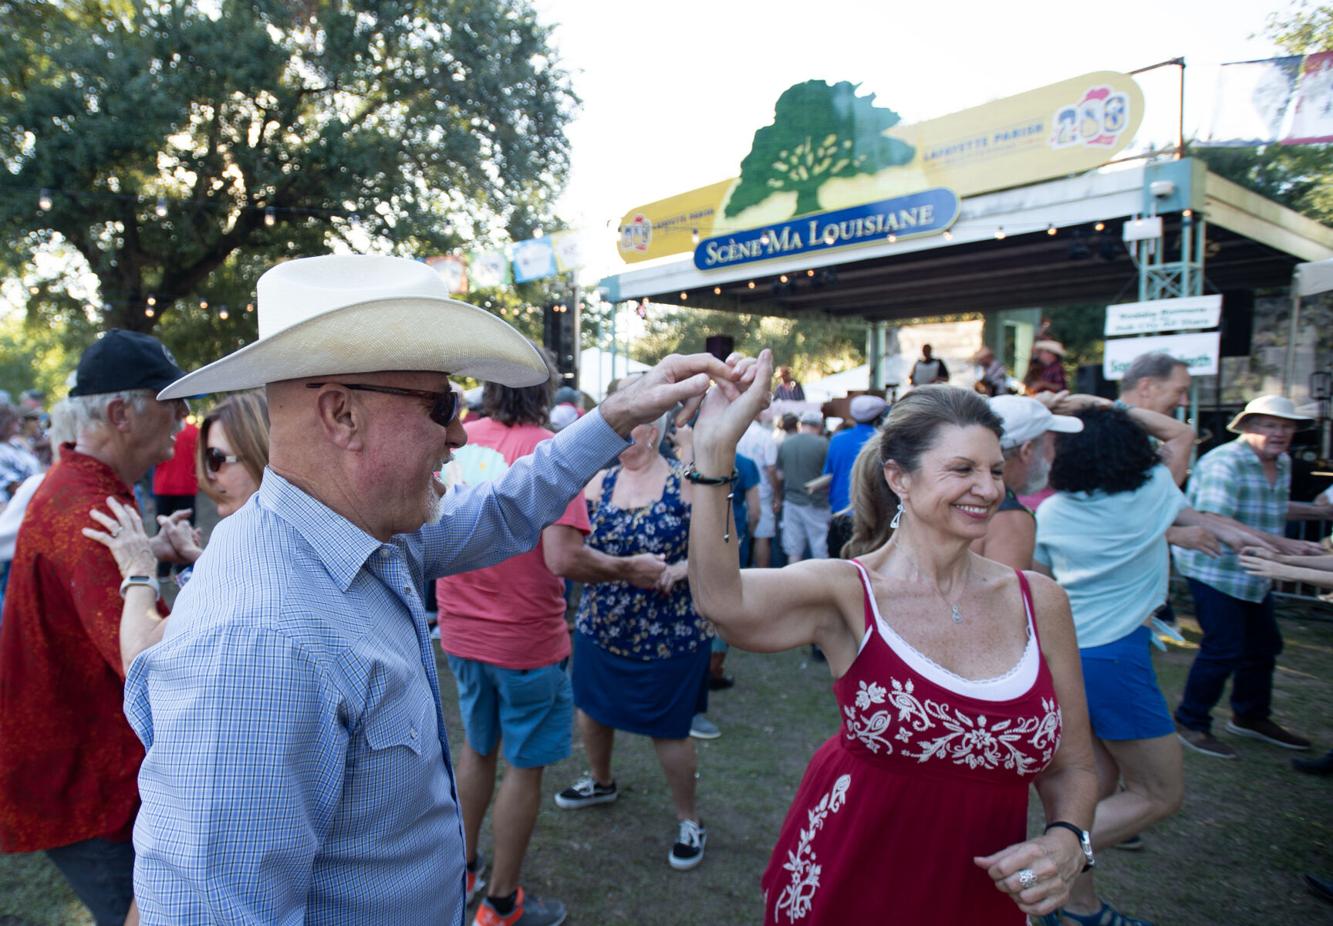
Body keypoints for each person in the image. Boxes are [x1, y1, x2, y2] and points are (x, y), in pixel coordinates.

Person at [122, 254, 734, 924]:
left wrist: (613, 417)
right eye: (440, 405)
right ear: (341, 415)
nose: (457, 433)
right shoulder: (258, 641)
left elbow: (502, 510)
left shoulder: (359, 533)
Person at [689, 364, 1099, 924]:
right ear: (899, 478)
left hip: (976, 892)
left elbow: (1072, 766)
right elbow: (721, 600)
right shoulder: (849, 591)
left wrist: (1068, 840)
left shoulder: (1040, 601)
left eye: (995, 469)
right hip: (851, 875)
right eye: (962, 469)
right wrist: (714, 454)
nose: (987, 487)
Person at [436, 361, 669, 926]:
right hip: (524, 640)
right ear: (542, 392)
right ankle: (500, 902)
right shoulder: (551, 449)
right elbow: (563, 558)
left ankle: (461, 872)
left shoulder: (462, 442)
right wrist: (630, 569)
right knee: (523, 765)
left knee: (477, 748)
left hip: (462, 630)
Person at [1031, 401, 1262, 926]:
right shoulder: (1154, 490)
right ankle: (1034, 868)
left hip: (1063, 656)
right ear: (1129, 449)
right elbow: (1180, 431)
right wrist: (1106, 406)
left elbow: (1039, 583)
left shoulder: (1052, 511)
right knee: (1158, 794)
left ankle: (1075, 910)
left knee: (1087, 795)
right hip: (1115, 658)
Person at [0, 331, 192, 926]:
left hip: (86, 770)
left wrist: (154, 559)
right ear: (119, 414)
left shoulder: (84, 489)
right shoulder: (92, 509)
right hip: (88, 786)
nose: (184, 422)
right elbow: (151, 665)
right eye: (173, 404)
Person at [553, 402, 715, 870]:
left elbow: (721, 550)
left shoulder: (685, 481)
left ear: (652, 430)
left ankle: (690, 819)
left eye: (630, 423)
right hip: (602, 625)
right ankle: (601, 781)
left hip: (668, 632)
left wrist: (682, 569)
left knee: (669, 730)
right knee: (593, 712)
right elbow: (573, 550)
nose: (620, 432)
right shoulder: (598, 482)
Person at [1171, 395, 1330, 759]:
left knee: (1263, 646)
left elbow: (1270, 506)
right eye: (1270, 424)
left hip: (1257, 572)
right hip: (1216, 569)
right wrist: (1282, 544)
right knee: (1223, 648)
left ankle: (1250, 716)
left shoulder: (1283, 461)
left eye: (1287, 426)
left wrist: (1317, 512)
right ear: (1247, 426)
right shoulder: (1224, 462)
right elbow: (1214, 517)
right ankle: (1191, 721)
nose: (1280, 433)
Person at [84, 391, 272, 669]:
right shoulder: (271, 534)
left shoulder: (252, 547)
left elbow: (139, 658)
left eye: (216, 458)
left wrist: (139, 570)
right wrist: (198, 556)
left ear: (261, 453)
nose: (207, 474)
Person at [972, 396, 1083, 571]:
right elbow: (1007, 596)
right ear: (1027, 450)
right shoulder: (1011, 519)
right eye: (1051, 445)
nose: (1053, 456)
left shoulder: (959, 493)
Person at [775, 410, 830, 563]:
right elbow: (830, 474)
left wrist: (777, 497)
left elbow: (779, 475)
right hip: (816, 503)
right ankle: (823, 586)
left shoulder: (785, 444)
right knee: (820, 549)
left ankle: (793, 585)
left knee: (793, 550)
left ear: (801, 425)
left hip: (791, 501)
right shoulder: (824, 444)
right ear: (819, 426)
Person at [822, 394, 885, 516]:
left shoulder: (837, 439)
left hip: (839, 508)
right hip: (871, 511)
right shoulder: (880, 440)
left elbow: (828, 474)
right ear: (878, 417)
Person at [737, 411, 779, 567]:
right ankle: (761, 575)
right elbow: (771, 469)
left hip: (735, 490)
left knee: (736, 534)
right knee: (762, 536)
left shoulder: (735, 432)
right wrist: (777, 496)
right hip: (761, 493)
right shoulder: (765, 436)